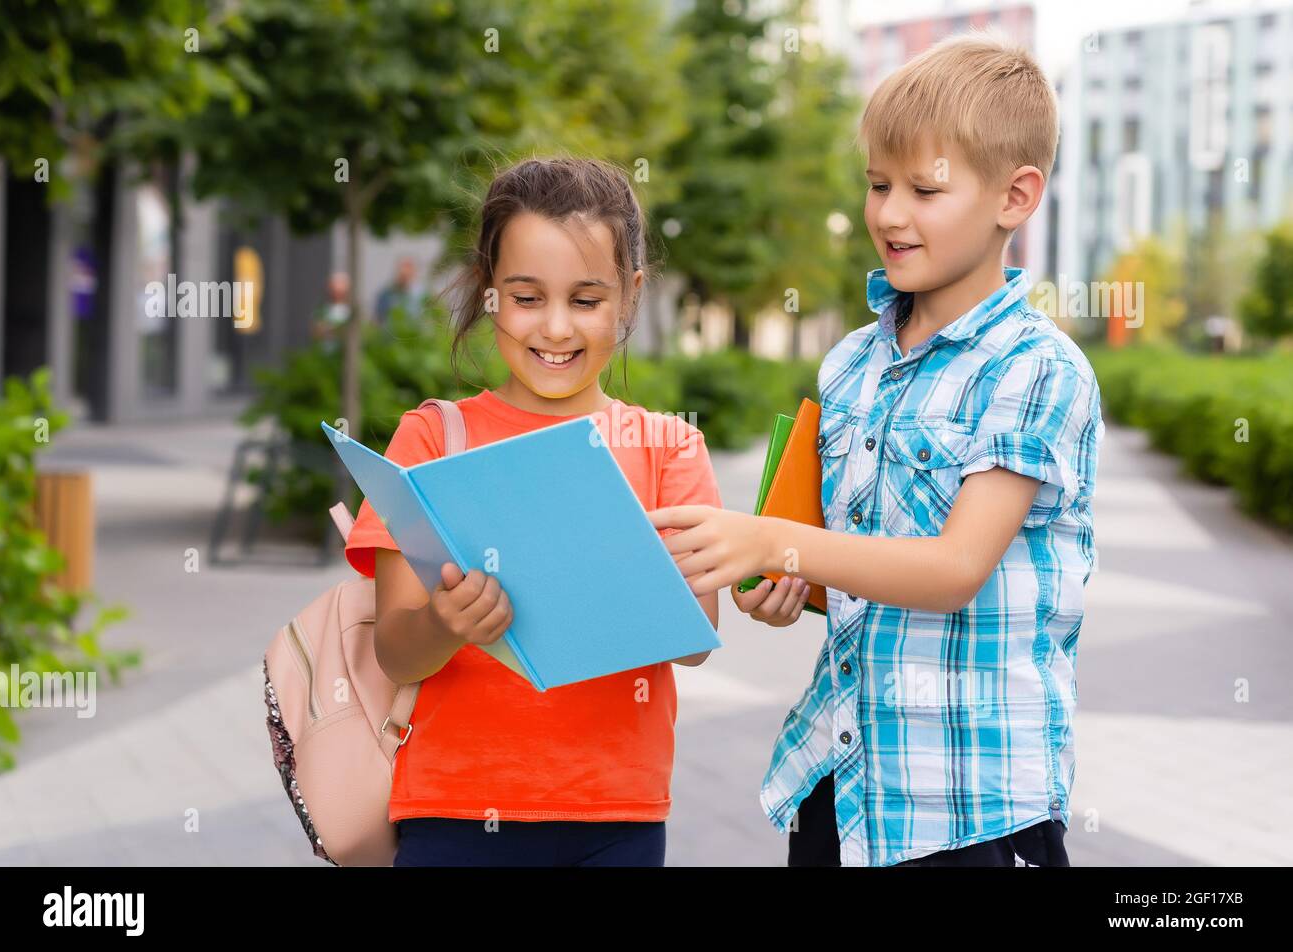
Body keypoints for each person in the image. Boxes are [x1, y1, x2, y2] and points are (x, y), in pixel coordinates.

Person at [646, 32, 1104, 867]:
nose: (890, 214)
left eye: (925, 189)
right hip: (839, 777)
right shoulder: (850, 363)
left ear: (1017, 195)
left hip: (972, 806)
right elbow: (842, 558)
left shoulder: (1037, 370)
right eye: (877, 184)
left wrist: (776, 541)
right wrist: (788, 584)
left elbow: (956, 569)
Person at [344, 158, 722, 867]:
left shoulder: (670, 446)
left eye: (586, 300)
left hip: (617, 814)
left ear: (630, 297)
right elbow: (395, 650)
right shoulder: (430, 439)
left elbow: (697, 637)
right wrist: (443, 623)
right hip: (452, 810)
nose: (555, 327)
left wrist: (638, 576)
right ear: (490, 295)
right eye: (525, 297)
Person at [374, 256, 422, 323]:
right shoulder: (386, 295)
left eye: (407, 276)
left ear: (414, 274)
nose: (405, 279)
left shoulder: (421, 295)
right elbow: (379, 318)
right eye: (403, 276)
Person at [312, 271, 351, 350]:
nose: (336, 291)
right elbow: (316, 331)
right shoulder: (322, 310)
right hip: (324, 353)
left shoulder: (351, 310)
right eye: (334, 287)